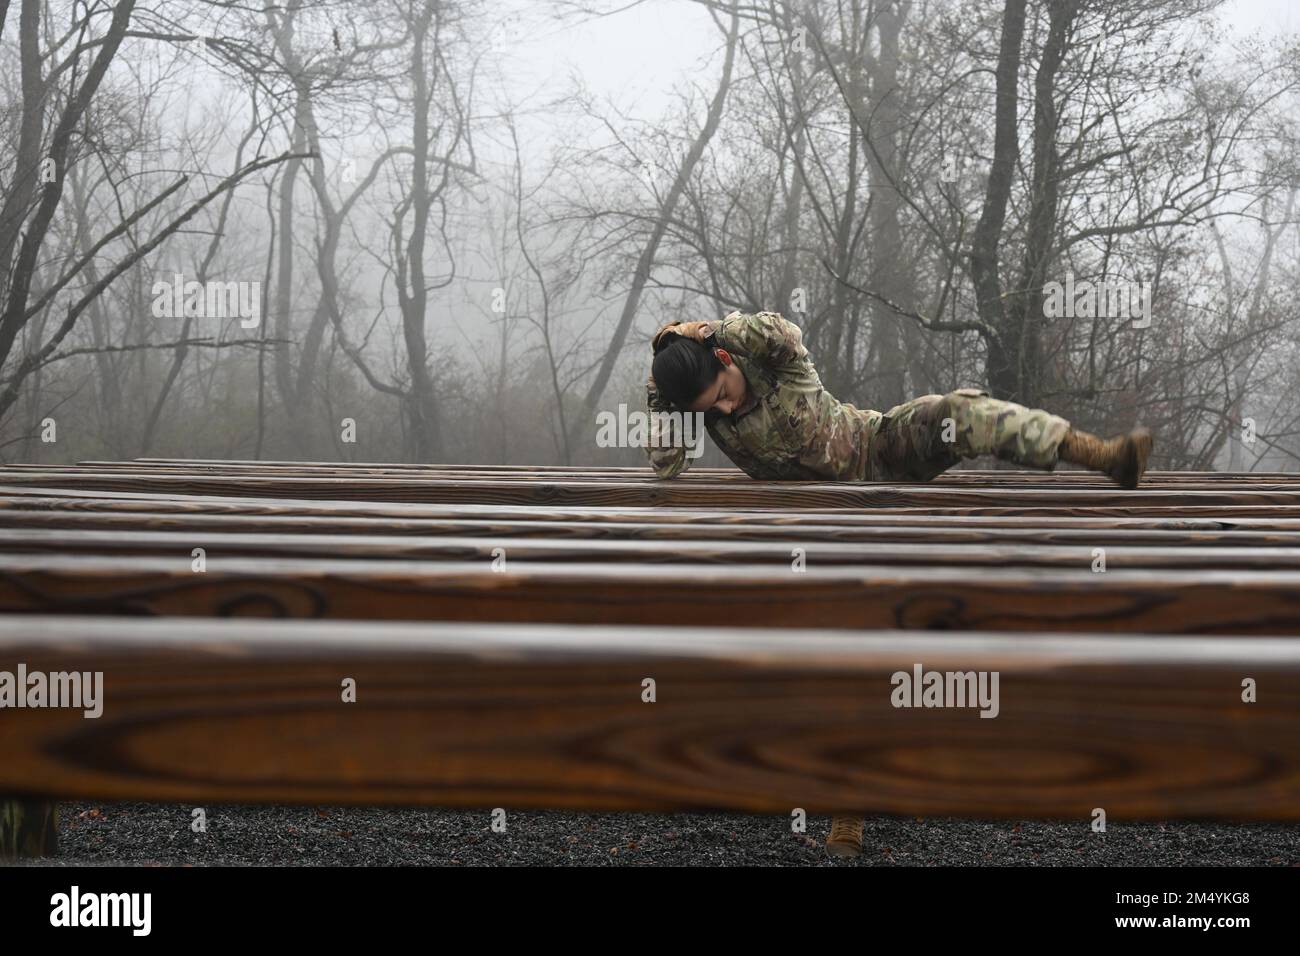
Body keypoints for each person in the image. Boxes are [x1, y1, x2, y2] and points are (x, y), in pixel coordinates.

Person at [644, 310, 1153, 857]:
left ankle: (1099, 454)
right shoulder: (704, 399)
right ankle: (849, 810)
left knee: (957, 413)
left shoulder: (775, 361)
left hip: (877, 450)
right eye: (709, 411)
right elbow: (668, 465)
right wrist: (662, 368)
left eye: (722, 393)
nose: (723, 410)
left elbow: (782, 328)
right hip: (822, 526)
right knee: (848, 648)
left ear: (725, 360)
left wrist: (709, 332)